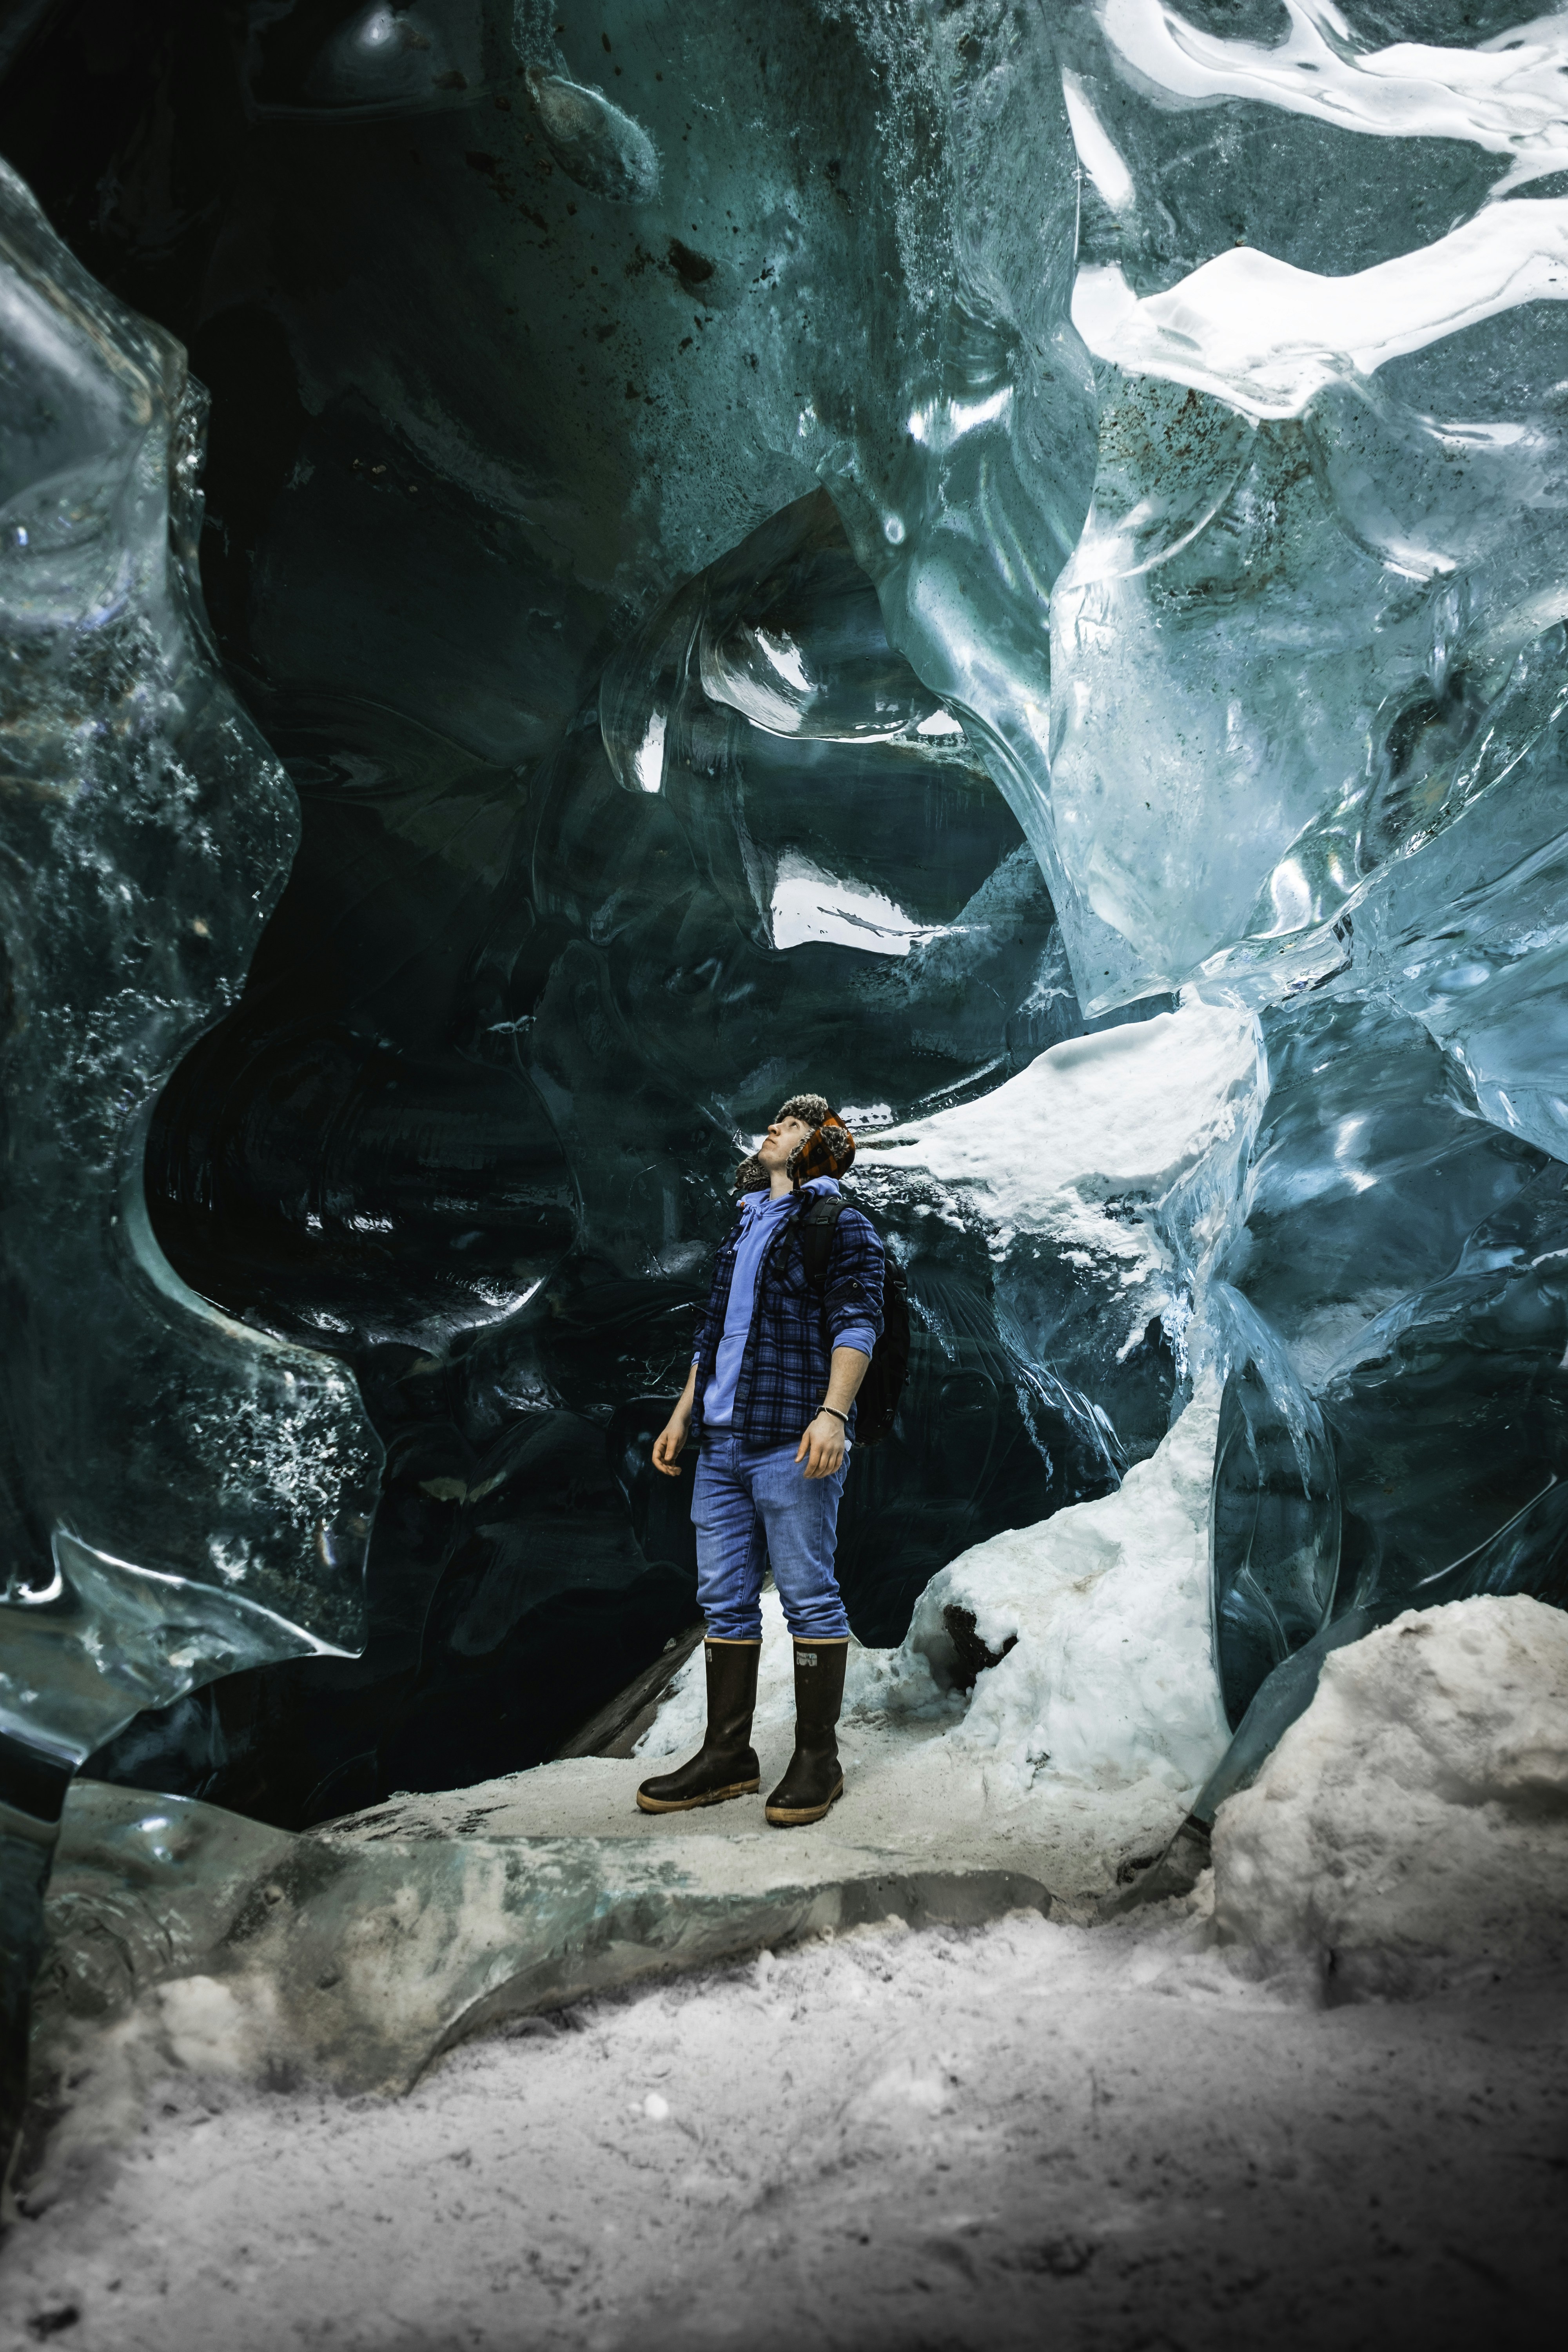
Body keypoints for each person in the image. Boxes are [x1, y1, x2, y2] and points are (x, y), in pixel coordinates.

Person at [637, 1095, 885, 1827]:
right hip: (720, 1442)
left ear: (821, 1144)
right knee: (723, 1596)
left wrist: (834, 1414)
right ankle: (728, 1758)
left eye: (792, 1125)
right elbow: (714, 1333)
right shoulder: (745, 1224)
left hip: (790, 1437)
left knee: (809, 1593)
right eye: (774, 1123)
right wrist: (684, 1415)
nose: (772, 1130)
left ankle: (818, 1760)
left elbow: (857, 1319)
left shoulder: (842, 1225)